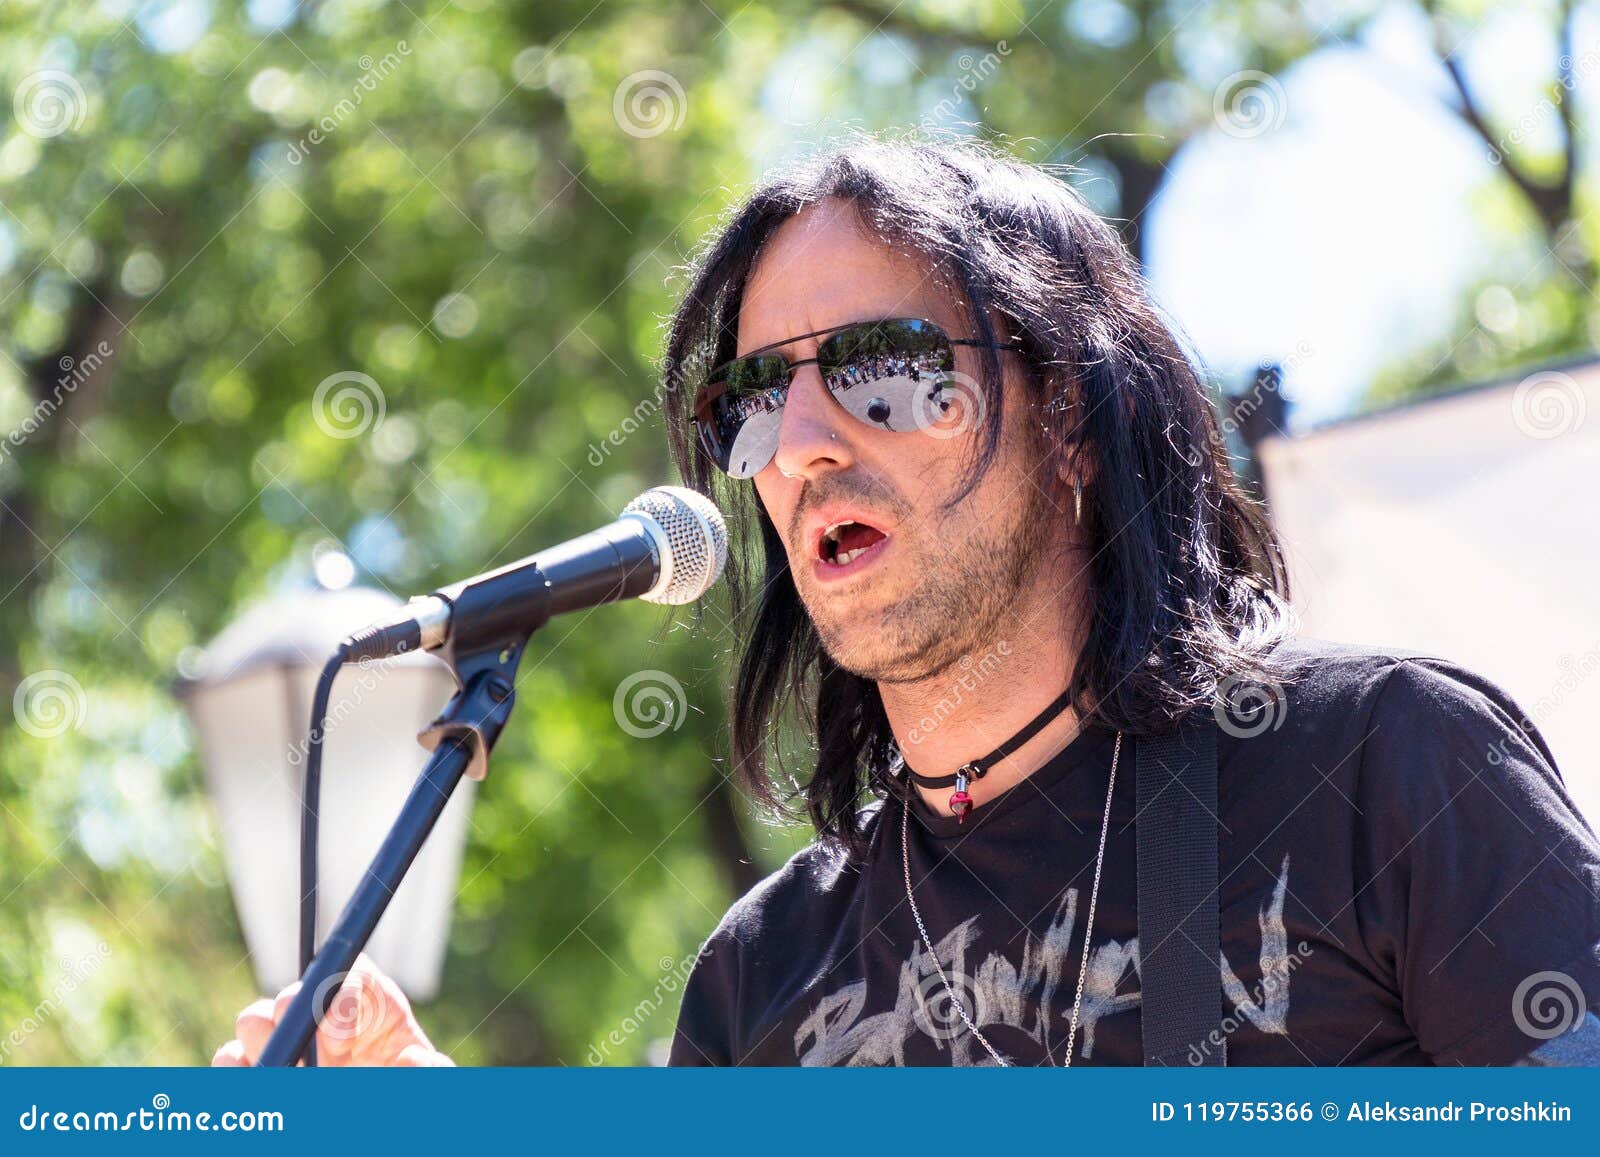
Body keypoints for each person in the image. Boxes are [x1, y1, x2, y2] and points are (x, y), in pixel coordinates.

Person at [213, 137, 1600, 1068]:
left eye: (880, 366)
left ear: (1067, 410)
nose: (805, 438)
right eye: (755, 398)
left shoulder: (1382, 766)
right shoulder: (764, 977)